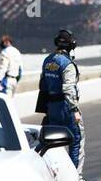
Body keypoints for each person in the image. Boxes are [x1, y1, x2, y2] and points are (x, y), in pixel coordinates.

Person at [36, 29, 85, 172]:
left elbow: (43, 85)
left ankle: (54, 172)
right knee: (76, 139)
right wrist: (75, 110)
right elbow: (69, 89)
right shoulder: (67, 64)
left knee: (53, 142)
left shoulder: (48, 60)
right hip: (66, 107)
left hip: (52, 107)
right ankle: (75, 176)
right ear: (71, 46)